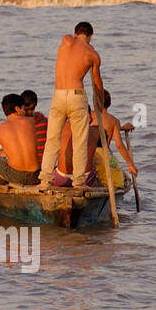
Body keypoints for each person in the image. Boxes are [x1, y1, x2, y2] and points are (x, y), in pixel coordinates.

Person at [37, 21, 104, 190]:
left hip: (59, 94)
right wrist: (100, 104)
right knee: (80, 140)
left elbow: (71, 41)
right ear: (91, 36)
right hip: (77, 95)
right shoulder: (93, 54)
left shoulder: (66, 40)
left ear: (75, 33)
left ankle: (45, 179)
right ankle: (79, 181)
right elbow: (97, 84)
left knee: (52, 138)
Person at [0, 94, 41, 186]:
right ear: (17, 109)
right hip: (36, 176)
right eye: (23, 108)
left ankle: (3, 185)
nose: (24, 111)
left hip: (16, 176)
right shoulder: (31, 121)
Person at [20, 89, 48, 162]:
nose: (29, 112)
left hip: (30, 163)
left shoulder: (22, 124)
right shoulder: (45, 120)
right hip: (44, 161)